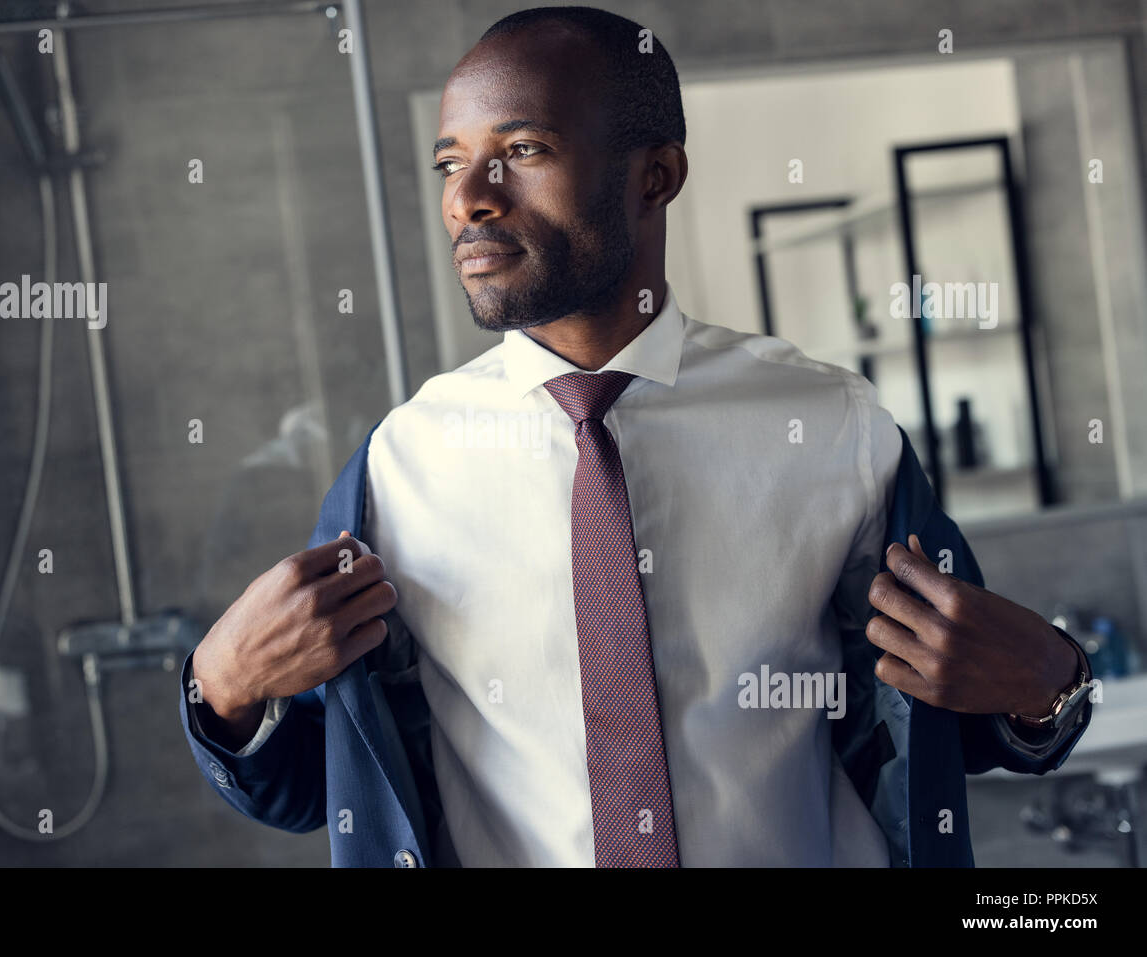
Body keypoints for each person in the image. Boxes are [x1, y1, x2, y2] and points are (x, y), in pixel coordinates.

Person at [180, 6, 1093, 867]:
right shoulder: (400, 466)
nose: (468, 200)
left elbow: (954, 723)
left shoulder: (833, 428)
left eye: (522, 150)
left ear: (655, 175)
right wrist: (218, 691)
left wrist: (1052, 681)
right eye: (449, 164)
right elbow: (317, 785)